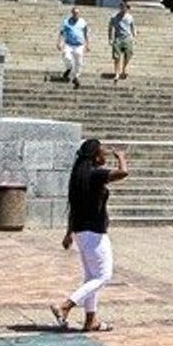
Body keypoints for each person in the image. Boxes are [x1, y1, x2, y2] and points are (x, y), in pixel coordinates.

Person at [53, 139, 128, 332]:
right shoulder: (95, 174)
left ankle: (90, 320)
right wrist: (121, 157)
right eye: (102, 152)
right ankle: (66, 306)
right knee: (104, 276)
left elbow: (74, 209)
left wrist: (69, 233)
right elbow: (123, 173)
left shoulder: (79, 176)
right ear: (95, 157)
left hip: (81, 231)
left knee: (91, 277)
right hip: (94, 233)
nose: (105, 155)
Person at [57, 6, 91, 88]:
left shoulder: (83, 22)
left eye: (77, 13)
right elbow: (62, 32)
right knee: (66, 57)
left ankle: (76, 77)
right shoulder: (66, 22)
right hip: (69, 44)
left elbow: (86, 33)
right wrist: (59, 42)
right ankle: (69, 68)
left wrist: (87, 44)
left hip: (79, 45)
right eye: (74, 13)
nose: (76, 14)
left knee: (79, 62)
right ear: (72, 13)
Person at [108, 1, 136, 82]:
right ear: (120, 8)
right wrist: (110, 38)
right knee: (116, 57)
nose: (124, 9)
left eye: (125, 8)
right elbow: (110, 28)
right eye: (122, 7)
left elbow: (132, 27)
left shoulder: (130, 17)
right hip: (118, 38)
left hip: (127, 38)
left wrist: (134, 37)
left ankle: (124, 68)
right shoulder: (114, 17)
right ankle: (117, 73)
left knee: (128, 55)